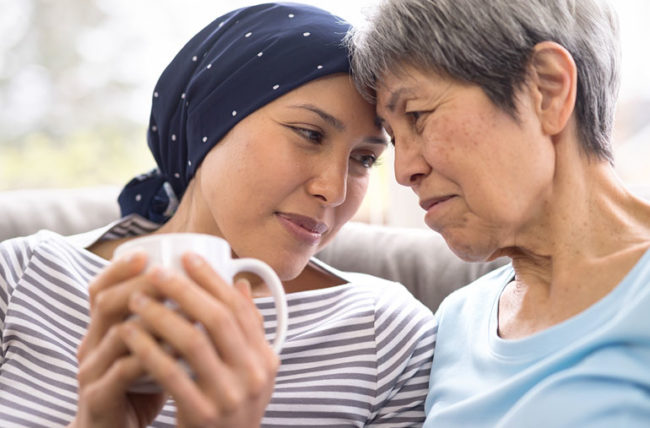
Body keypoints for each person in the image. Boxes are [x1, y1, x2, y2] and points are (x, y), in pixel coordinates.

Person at [0, 3, 436, 427]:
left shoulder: (390, 337)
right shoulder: (24, 276)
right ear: (209, 124)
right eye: (309, 134)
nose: (334, 190)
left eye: (363, 159)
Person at [347, 0, 650, 426]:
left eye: (418, 116)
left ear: (546, 89)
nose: (403, 171)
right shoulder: (456, 320)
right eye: (395, 140)